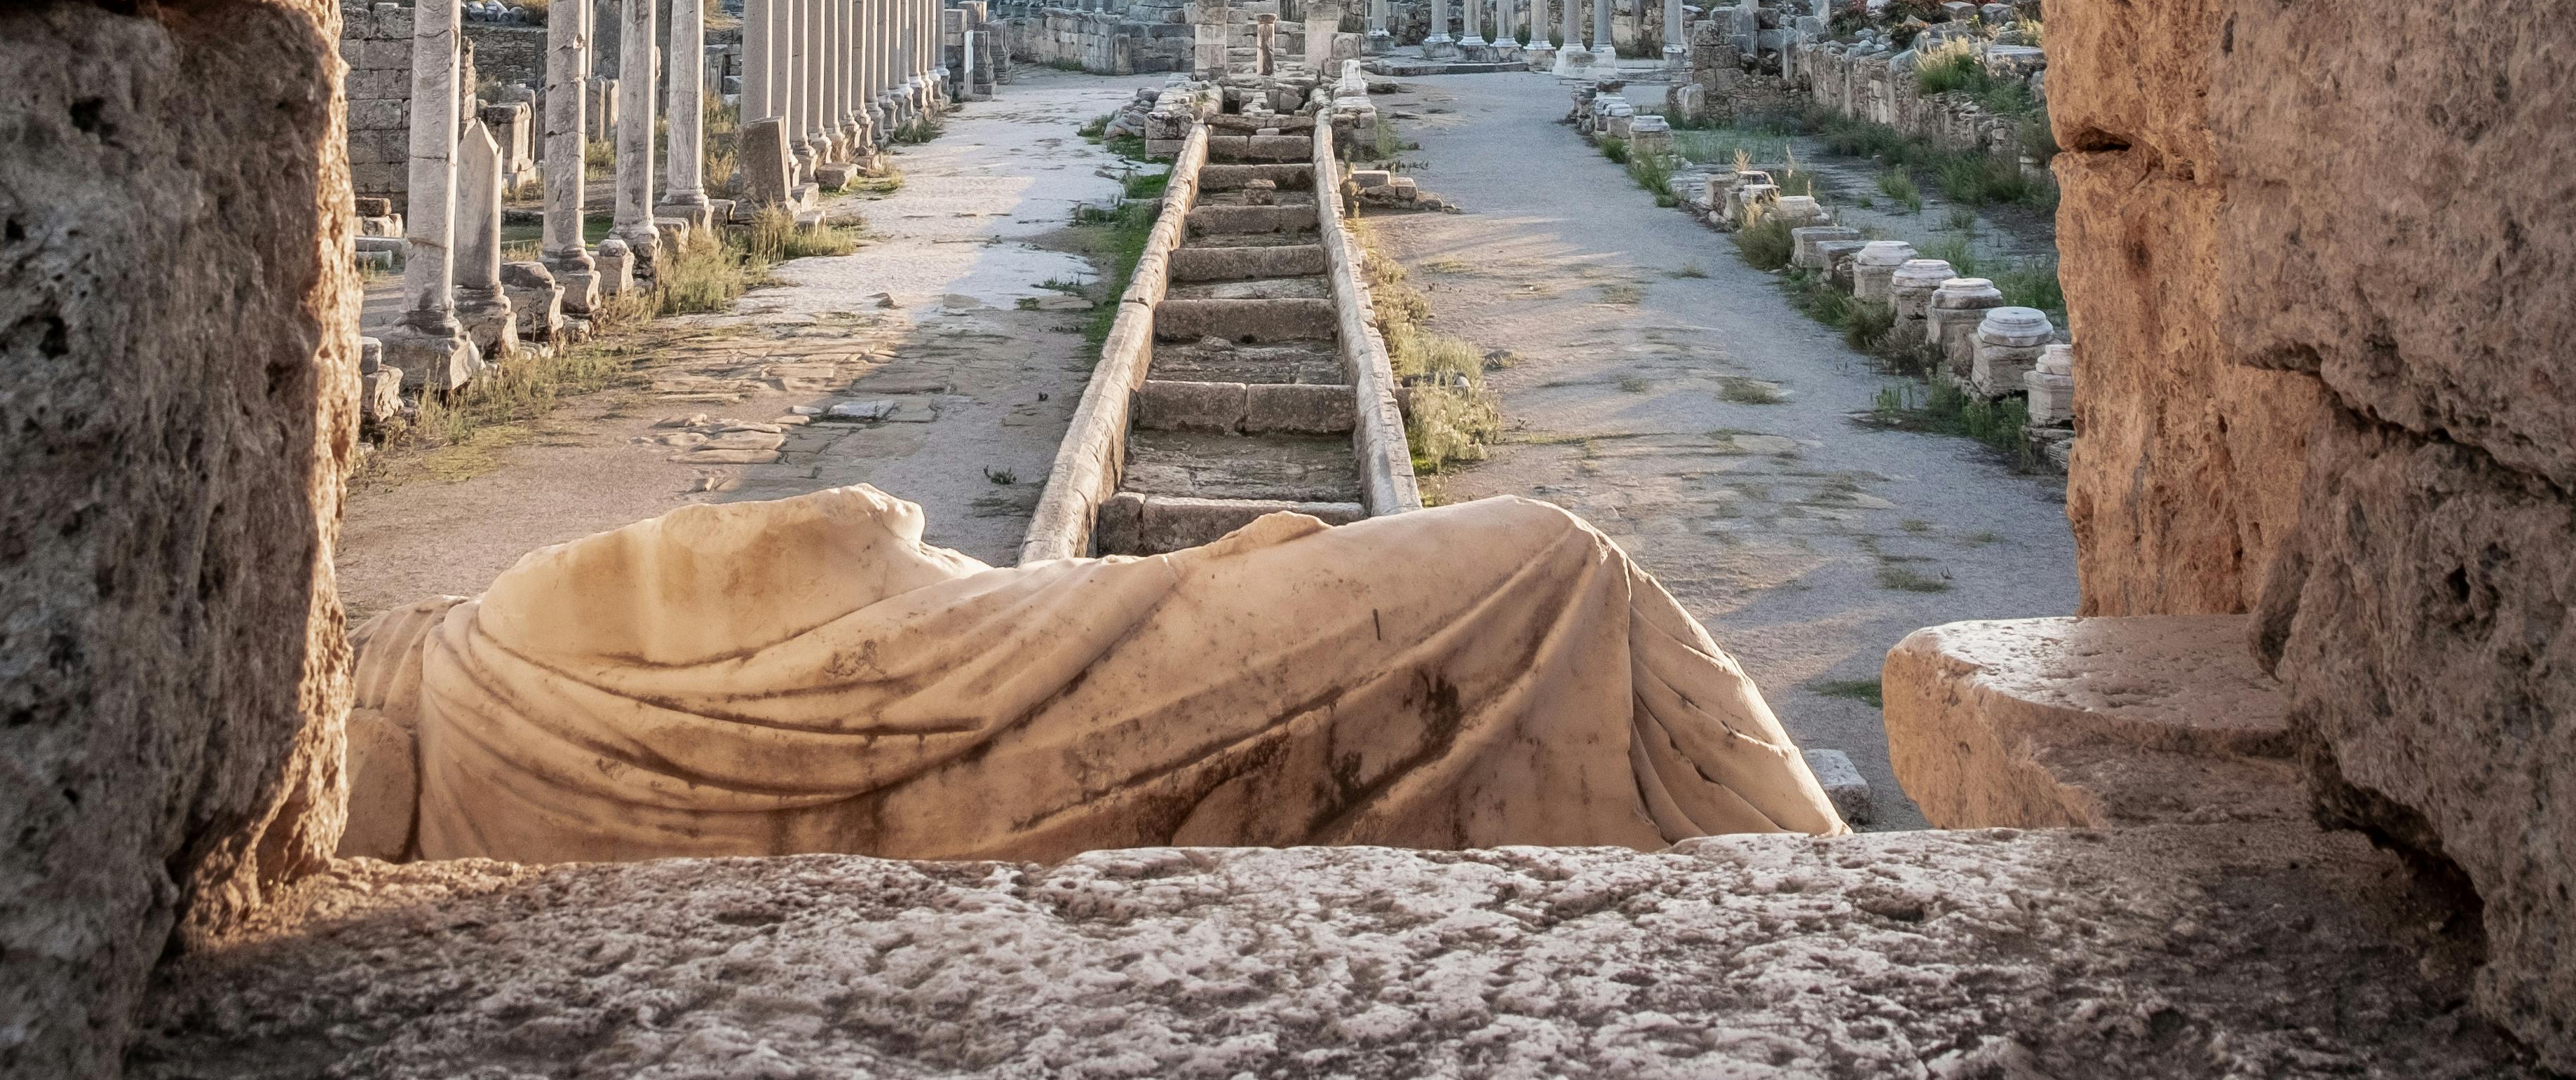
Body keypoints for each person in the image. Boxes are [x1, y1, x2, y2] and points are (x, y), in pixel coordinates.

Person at [344, 484, 1844, 866]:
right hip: (1089, 660)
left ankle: (1787, 863)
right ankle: (1803, 873)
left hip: (1046, 699)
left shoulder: (503, 778)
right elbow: (852, 536)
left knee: (1552, 572)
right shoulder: (505, 636)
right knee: (1553, 561)